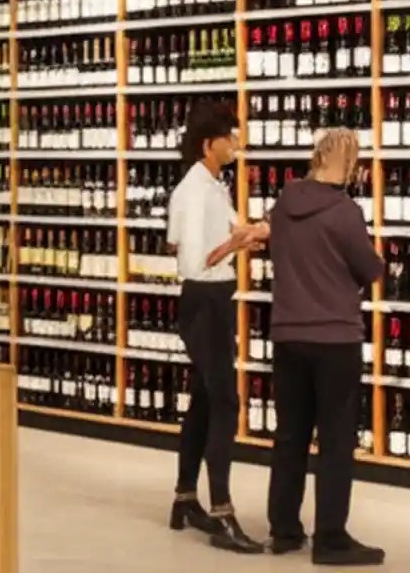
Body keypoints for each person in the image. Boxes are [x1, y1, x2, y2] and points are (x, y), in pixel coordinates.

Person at [266, 128, 385, 566]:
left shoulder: (282, 205)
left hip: (288, 335)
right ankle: (330, 539)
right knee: (335, 441)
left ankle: (283, 530)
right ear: (349, 163)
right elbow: (368, 269)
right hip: (334, 338)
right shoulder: (344, 211)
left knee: (290, 435)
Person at [166, 101, 267, 554]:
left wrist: (244, 238)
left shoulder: (209, 185)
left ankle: (185, 499)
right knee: (226, 401)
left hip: (211, 300)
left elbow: (191, 241)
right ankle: (223, 513)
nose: (237, 145)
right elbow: (192, 258)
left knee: (205, 400)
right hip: (205, 302)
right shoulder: (196, 191)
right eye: (232, 137)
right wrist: (241, 240)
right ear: (210, 143)